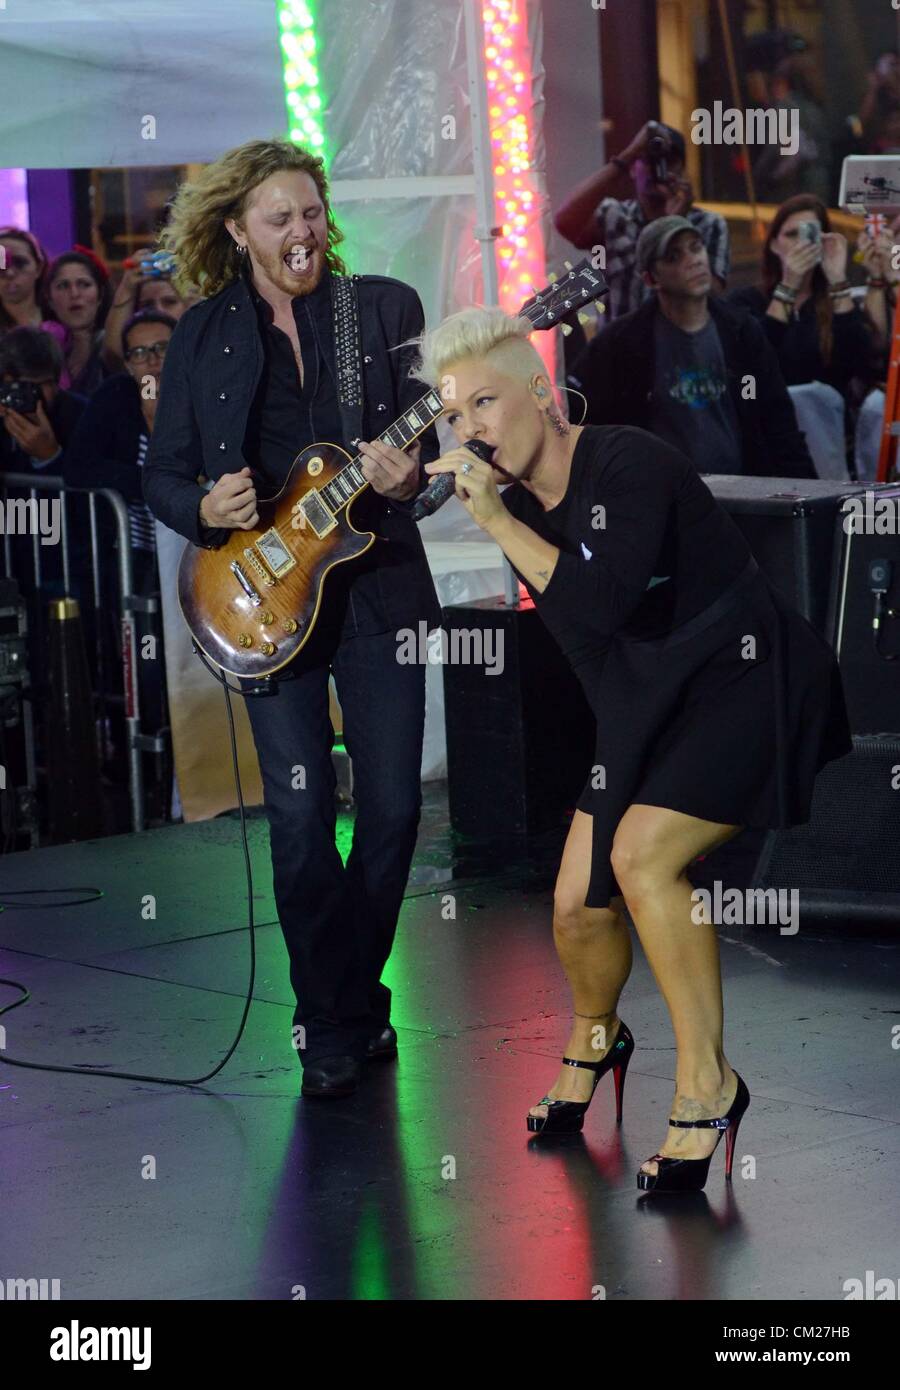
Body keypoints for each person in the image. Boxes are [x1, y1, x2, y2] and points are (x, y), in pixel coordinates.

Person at [416, 305, 852, 1192]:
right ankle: (595, 1037)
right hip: (649, 699)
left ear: (542, 395)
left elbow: (601, 602)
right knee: (579, 900)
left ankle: (709, 1084)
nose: (471, 431)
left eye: (485, 404)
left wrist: (497, 525)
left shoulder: (626, 462)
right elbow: (589, 653)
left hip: (745, 677)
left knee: (643, 860)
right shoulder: (534, 507)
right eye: (454, 417)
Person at [142, 138, 442, 1099]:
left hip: (378, 585)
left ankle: (344, 1004)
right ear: (238, 230)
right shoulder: (202, 333)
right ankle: (335, 1023)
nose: (303, 233)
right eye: (280, 218)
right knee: (305, 817)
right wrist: (203, 509)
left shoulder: (384, 308)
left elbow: (424, 463)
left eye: (312, 213)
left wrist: (410, 478)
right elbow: (161, 473)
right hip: (265, 598)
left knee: (394, 807)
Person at [569, 215, 815, 479]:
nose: (694, 260)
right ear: (651, 279)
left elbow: (779, 422)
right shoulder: (624, 341)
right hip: (661, 503)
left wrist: (807, 497)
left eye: (696, 247)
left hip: (743, 495)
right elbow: (579, 411)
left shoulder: (741, 331)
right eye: (674, 256)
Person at [554, 121, 730, 322]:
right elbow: (564, 222)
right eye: (648, 160)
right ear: (632, 168)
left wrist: (674, 226)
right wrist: (626, 156)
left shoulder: (709, 225)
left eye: (668, 161)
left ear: (682, 172)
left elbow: (710, 299)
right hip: (619, 347)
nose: (657, 170)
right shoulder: (614, 216)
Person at [727, 195, 876, 402]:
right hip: (767, 420)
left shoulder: (834, 302)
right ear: (774, 245)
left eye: (809, 234)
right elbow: (751, 360)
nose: (800, 244)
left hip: (824, 422)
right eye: (791, 234)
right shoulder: (746, 300)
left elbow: (859, 363)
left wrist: (837, 279)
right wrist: (789, 285)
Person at [42, 248, 114, 396]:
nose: (74, 294)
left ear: (100, 295)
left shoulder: (115, 343)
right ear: (49, 299)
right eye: (63, 285)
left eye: (84, 284)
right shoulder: (40, 347)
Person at [0, 227, 50, 334]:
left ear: (39, 268)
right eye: (1, 265)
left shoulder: (60, 321)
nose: (10, 273)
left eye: (20, 263)